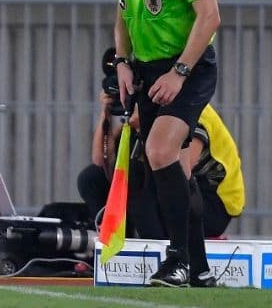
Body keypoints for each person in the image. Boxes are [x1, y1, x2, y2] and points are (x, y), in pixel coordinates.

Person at [107, 0, 222, 287]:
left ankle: (177, 260)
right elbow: (122, 15)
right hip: (147, 70)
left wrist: (179, 72)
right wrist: (122, 62)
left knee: (158, 152)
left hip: (189, 66)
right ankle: (201, 268)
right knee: (173, 168)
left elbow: (210, 17)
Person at [77, 94, 245, 241]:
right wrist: (106, 111)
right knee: (91, 178)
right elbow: (100, 160)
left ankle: (155, 252)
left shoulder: (190, 106)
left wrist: (143, 123)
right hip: (173, 192)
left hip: (210, 202)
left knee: (137, 177)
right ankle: (109, 240)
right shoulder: (144, 113)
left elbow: (180, 170)